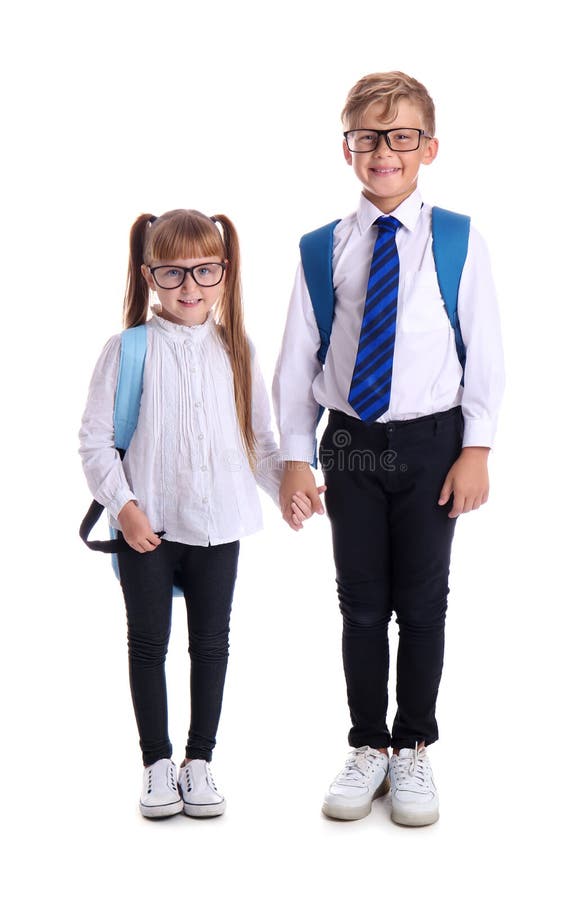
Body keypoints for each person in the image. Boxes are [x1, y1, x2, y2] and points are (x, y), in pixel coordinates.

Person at [273, 71, 505, 826]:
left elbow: (485, 350)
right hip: (350, 444)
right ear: (347, 150)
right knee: (360, 601)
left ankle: (413, 748)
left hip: (434, 443)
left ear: (427, 147)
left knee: (423, 600)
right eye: (368, 138)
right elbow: (297, 361)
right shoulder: (321, 249)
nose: (384, 151)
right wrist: (295, 458)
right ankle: (367, 742)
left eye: (400, 136)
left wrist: (476, 447)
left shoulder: (456, 238)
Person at [80, 209, 309, 819]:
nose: (190, 285)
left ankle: (199, 760)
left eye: (205, 271)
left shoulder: (236, 349)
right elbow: (95, 441)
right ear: (150, 274)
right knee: (147, 642)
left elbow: (260, 442)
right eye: (174, 272)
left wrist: (288, 489)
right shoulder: (127, 349)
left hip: (219, 525)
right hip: (146, 525)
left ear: (224, 273)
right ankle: (157, 764)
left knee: (211, 643)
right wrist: (124, 508)